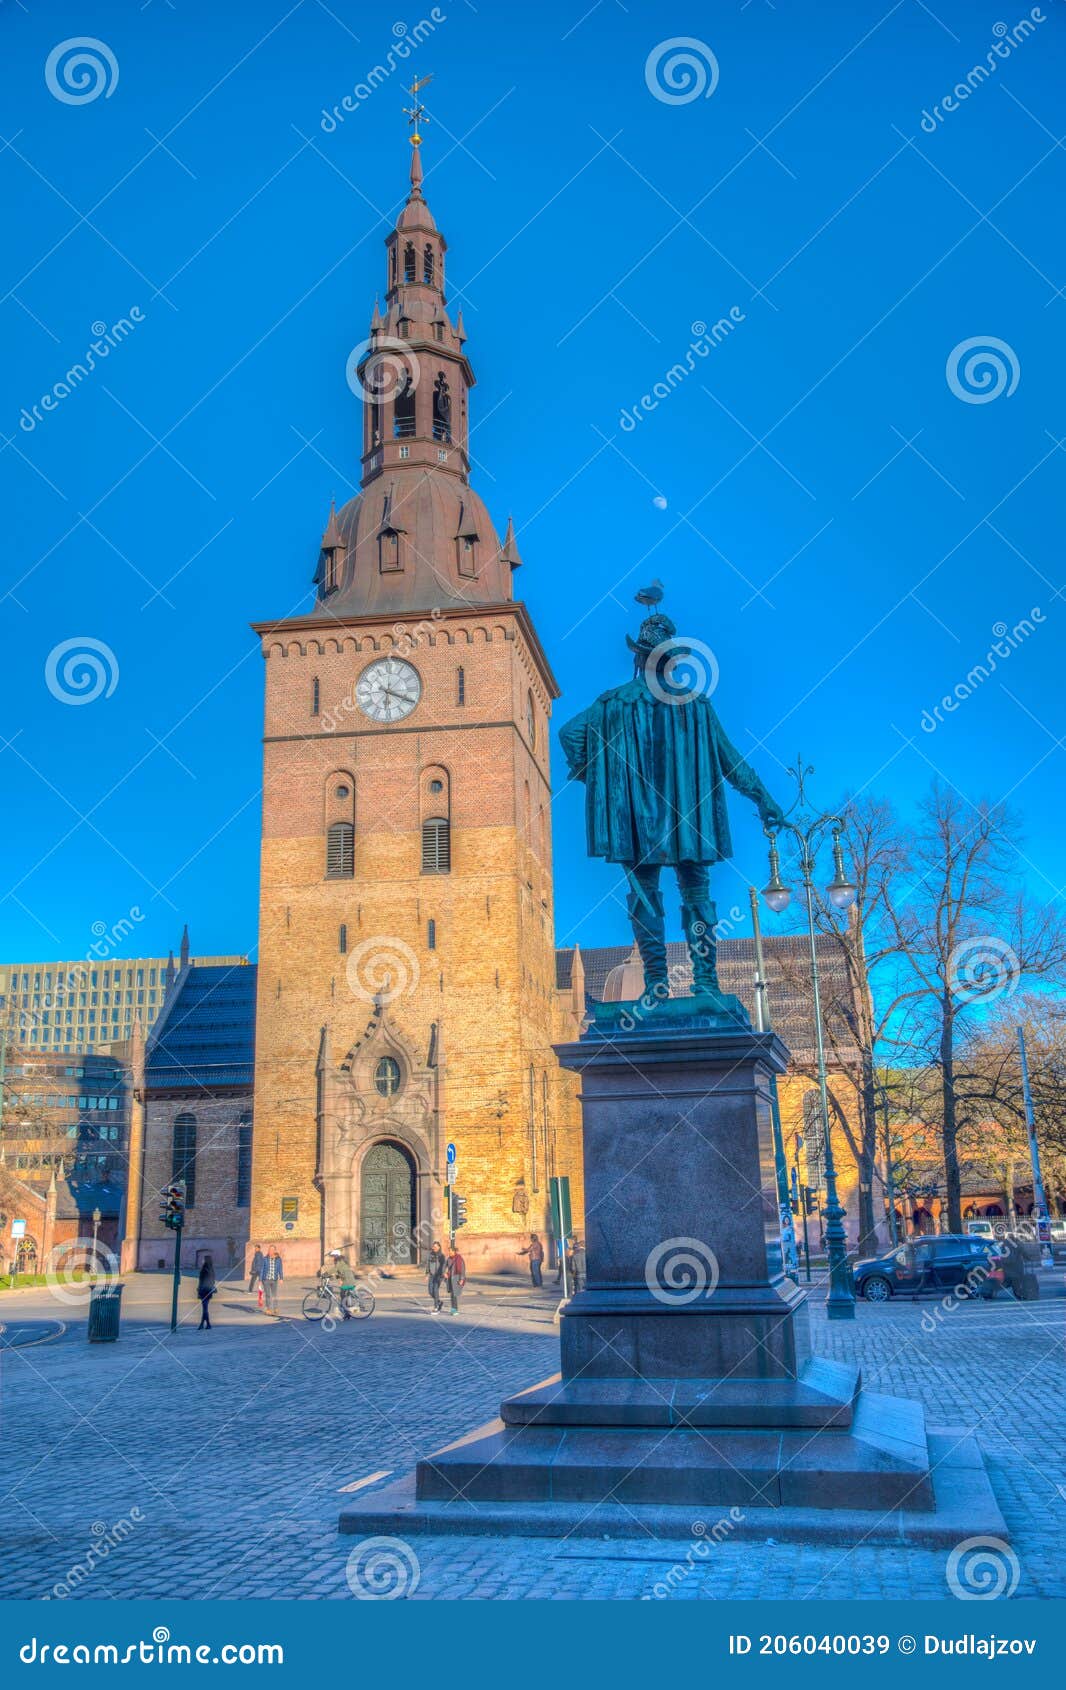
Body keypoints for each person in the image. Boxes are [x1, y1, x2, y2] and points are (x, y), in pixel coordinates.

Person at [559, 586, 784, 999]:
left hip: (636, 821)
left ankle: (657, 985)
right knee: (697, 893)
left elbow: (569, 735)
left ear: (639, 657)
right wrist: (764, 799)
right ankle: (705, 983)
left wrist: (606, 783)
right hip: (689, 820)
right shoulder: (695, 705)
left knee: (644, 895)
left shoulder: (613, 704)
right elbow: (730, 761)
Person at [261, 1246, 284, 1315]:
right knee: (268, 1295)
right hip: (266, 1279)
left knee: (274, 1295)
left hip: (274, 1279)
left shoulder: (278, 1259)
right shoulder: (265, 1259)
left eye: (272, 1250)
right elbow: (262, 1269)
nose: (270, 1251)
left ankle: (275, 1308)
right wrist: (260, 1280)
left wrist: (281, 1278)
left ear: (274, 1251)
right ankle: (268, 1309)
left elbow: (280, 1269)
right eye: (269, 1249)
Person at [445, 1243, 466, 1316]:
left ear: (454, 1251)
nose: (449, 1252)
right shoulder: (448, 1259)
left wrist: (461, 1279)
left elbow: (463, 1270)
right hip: (450, 1278)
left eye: (451, 1251)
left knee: (454, 1294)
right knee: (452, 1294)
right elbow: (444, 1267)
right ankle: (454, 1309)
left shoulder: (459, 1259)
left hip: (457, 1278)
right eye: (449, 1251)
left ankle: (455, 1309)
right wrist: (445, 1273)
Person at [196, 1256, 216, 1330]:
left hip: (203, 1291)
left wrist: (199, 1290)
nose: (202, 1260)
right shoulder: (211, 1269)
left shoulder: (204, 1270)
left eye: (203, 1259)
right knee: (205, 1308)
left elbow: (201, 1281)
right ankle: (206, 1324)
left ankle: (205, 1324)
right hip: (208, 1290)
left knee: (205, 1308)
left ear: (206, 1261)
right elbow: (213, 1281)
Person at [426, 1241, 446, 1313]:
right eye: (433, 1246)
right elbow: (428, 1264)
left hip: (439, 1276)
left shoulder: (442, 1256)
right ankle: (439, 1302)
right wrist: (427, 1274)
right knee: (430, 1291)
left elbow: (444, 1266)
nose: (434, 1248)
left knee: (435, 1290)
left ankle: (436, 1307)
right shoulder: (430, 1255)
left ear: (439, 1247)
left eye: (435, 1246)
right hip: (431, 1275)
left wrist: (443, 1274)